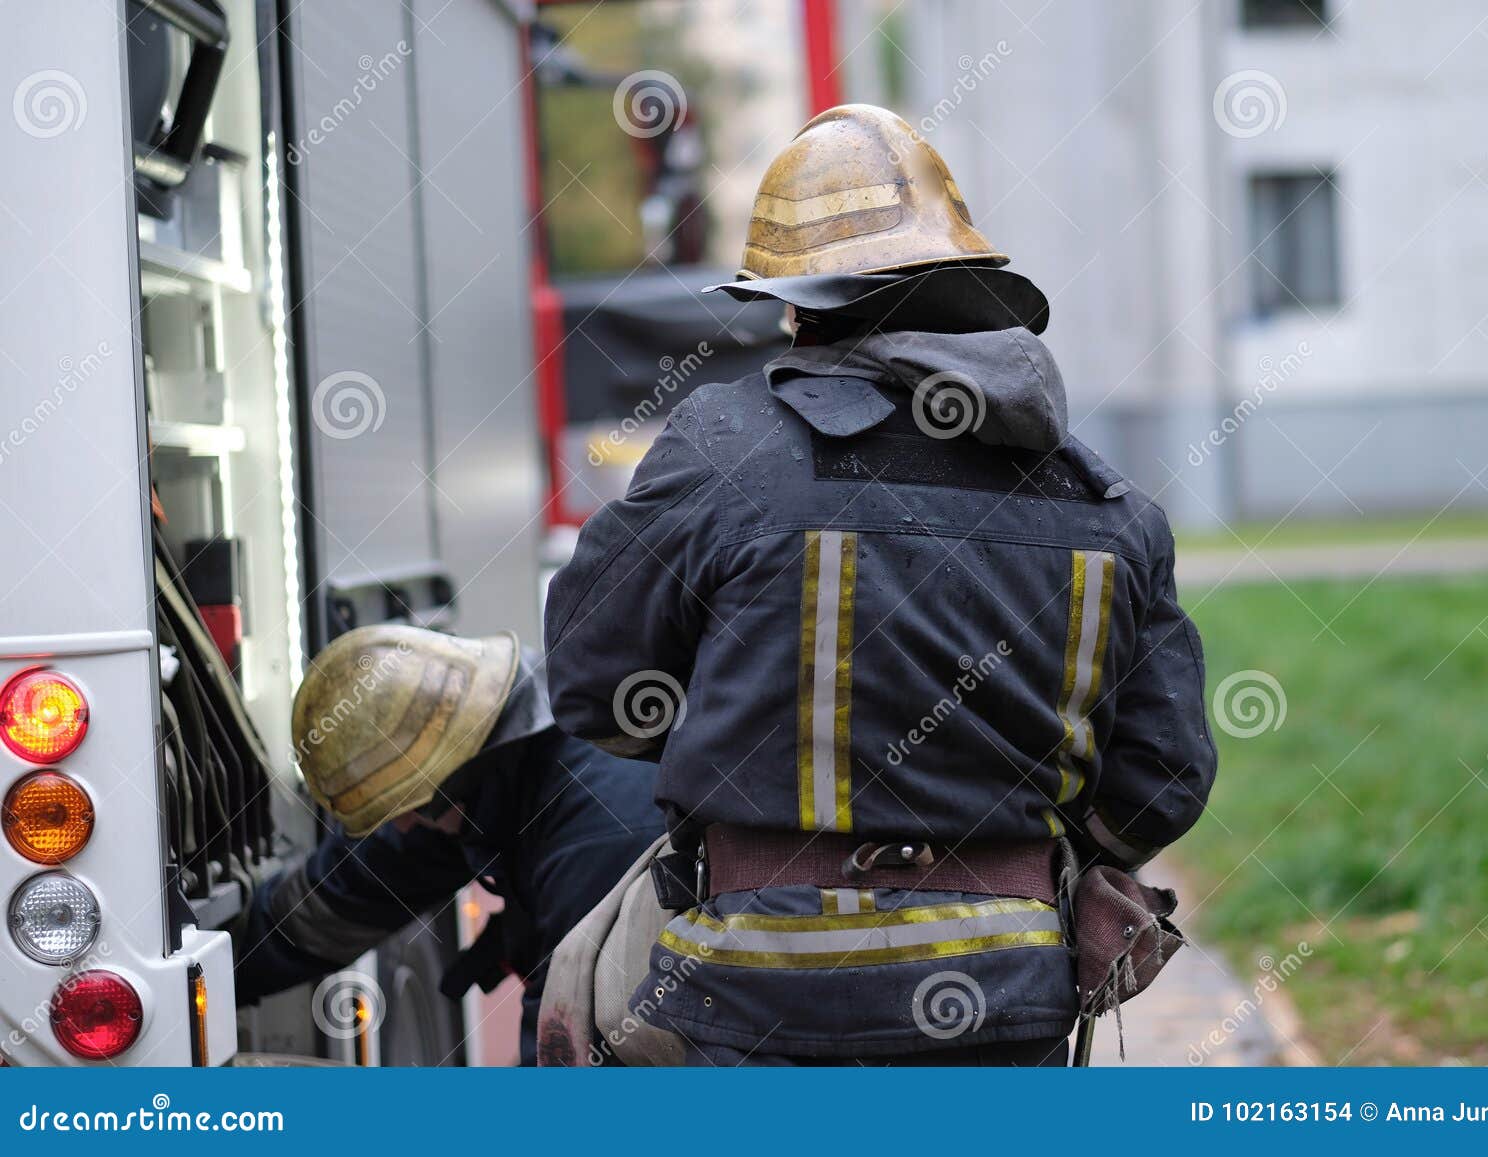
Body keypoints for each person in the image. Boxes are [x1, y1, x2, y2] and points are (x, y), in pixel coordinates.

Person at [542, 104, 1218, 1066]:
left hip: (757, 991)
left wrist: (744, 728)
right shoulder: (1111, 511)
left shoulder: (726, 450)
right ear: (970, 296)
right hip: (1009, 998)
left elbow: (591, 682)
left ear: (804, 309)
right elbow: (1163, 781)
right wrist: (1021, 852)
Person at [232, 625, 660, 1065]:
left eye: (409, 808)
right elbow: (348, 895)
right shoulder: (491, 768)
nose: (402, 827)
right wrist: (222, 964)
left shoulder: (596, 840)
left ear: (455, 778)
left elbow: (571, 1056)